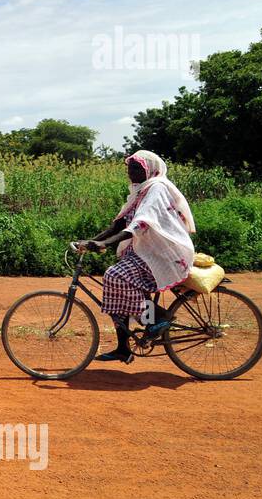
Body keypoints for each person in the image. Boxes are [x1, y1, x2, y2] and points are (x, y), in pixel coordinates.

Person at [79, 151, 195, 362]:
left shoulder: (157, 188)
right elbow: (121, 223)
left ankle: (158, 317)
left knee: (115, 276)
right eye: (129, 168)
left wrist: (105, 244)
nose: (130, 172)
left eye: (136, 168)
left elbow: (142, 222)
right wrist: (91, 242)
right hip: (146, 252)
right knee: (117, 293)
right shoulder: (139, 191)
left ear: (149, 169)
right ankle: (123, 348)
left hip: (165, 254)